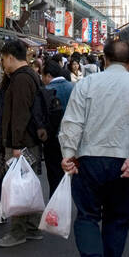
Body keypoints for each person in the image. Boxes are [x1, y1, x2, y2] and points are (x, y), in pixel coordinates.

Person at [59, 37, 129, 257]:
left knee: (88, 215)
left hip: (88, 158)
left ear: (105, 59)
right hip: (123, 160)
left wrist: (68, 153)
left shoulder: (87, 83)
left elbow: (73, 121)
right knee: (117, 217)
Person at [0, 40, 45, 248]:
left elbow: (19, 115)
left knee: (18, 186)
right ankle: (32, 227)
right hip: (28, 141)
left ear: (10, 56)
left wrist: (15, 145)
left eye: (3, 59)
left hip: (22, 143)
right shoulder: (25, 76)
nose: (2, 64)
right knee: (27, 184)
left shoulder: (22, 79)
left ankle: (18, 232)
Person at [41, 59, 74, 197]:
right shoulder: (74, 87)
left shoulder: (46, 91)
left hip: (53, 139)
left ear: (48, 75)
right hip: (73, 138)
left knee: (54, 176)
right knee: (72, 173)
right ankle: (66, 202)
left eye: (43, 76)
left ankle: (55, 208)